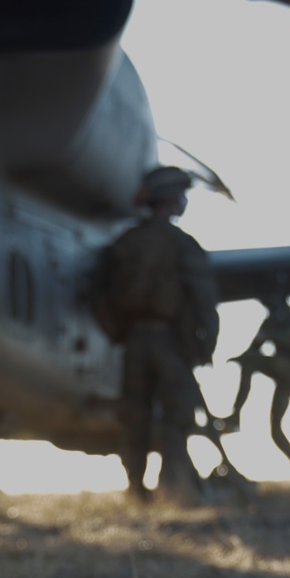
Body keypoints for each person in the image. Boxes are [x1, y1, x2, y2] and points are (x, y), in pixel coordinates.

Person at [93, 166, 220, 505]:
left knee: (135, 417)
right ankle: (177, 488)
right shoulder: (182, 245)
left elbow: (98, 294)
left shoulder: (124, 244)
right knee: (176, 417)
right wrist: (205, 344)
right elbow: (203, 299)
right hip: (169, 343)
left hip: (133, 342)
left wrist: (116, 333)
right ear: (172, 200)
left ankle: (137, 491)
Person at [220, 295, 290, 491]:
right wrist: (240, 357)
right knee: (276, 430)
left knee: (252, 362)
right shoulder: (270, 321)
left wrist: (270, 337)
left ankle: (235, 416)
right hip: (283, 375)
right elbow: (254, 346)